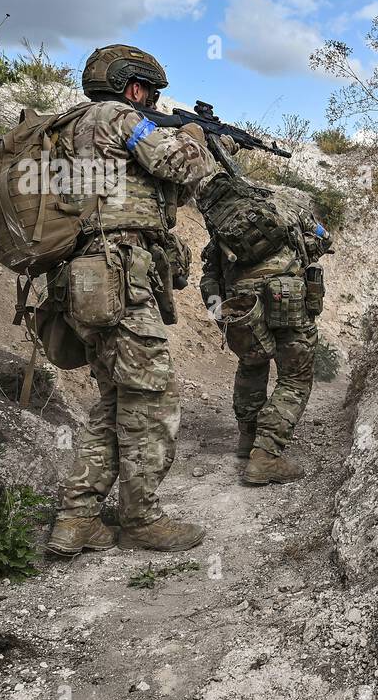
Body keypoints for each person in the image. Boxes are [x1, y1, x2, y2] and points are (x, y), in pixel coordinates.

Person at [45, 44, 222, 556]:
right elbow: (180, 166)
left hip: (81, 280)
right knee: (153, 396)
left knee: (117, 398)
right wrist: (192, 136)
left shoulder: (69, 126)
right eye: (151, 93)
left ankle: (77, 519)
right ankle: (140, 519)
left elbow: (142, 189)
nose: (152, 101)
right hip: (118, 275)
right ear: (134, 88)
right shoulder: (118, 116)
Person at [199, 180, 333, 485]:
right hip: (289, 299)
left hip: (242, 301)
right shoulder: (291, 209)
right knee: (294, 377)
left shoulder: (221, 231)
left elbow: (211, 273)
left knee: (251, 363)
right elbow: (324, 240)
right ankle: (266, 455)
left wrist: (220, 310)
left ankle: (247, 440)